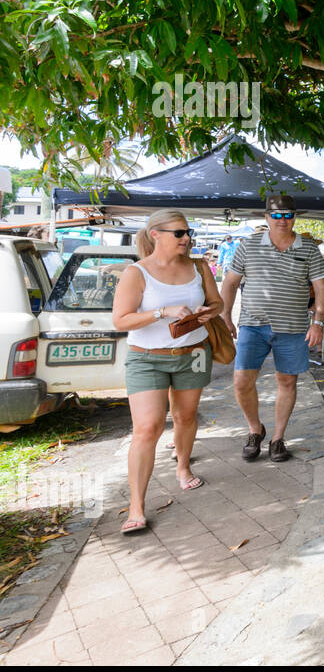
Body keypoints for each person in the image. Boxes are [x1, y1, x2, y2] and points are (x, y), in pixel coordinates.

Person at [112, 210, 224, 534]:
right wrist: (162, 311)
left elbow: (217, 303)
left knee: (187, 416)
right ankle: (136, 507)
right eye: (179, 233)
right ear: (155, 235)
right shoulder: (137, 273)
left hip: (195, 354)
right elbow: (121, 320)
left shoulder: (200, 267)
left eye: (188, 232)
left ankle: (183, 468)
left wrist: (208, 313)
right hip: (146, 358)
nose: (186, 239)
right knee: (148, 427)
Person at [220, 194, 324, 464]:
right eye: (277, 215)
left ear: (294, 217)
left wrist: (317, 322)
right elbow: (231, 283)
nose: (283, 220)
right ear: (267, 217)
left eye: (288, 215)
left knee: (287, 381)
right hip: (252, 325)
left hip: (293, 328)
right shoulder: (249, 245)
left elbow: (321, 289)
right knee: (241, 382)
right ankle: (255, 429)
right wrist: (225, 315)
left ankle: (278, 438)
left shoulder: (309, 248)